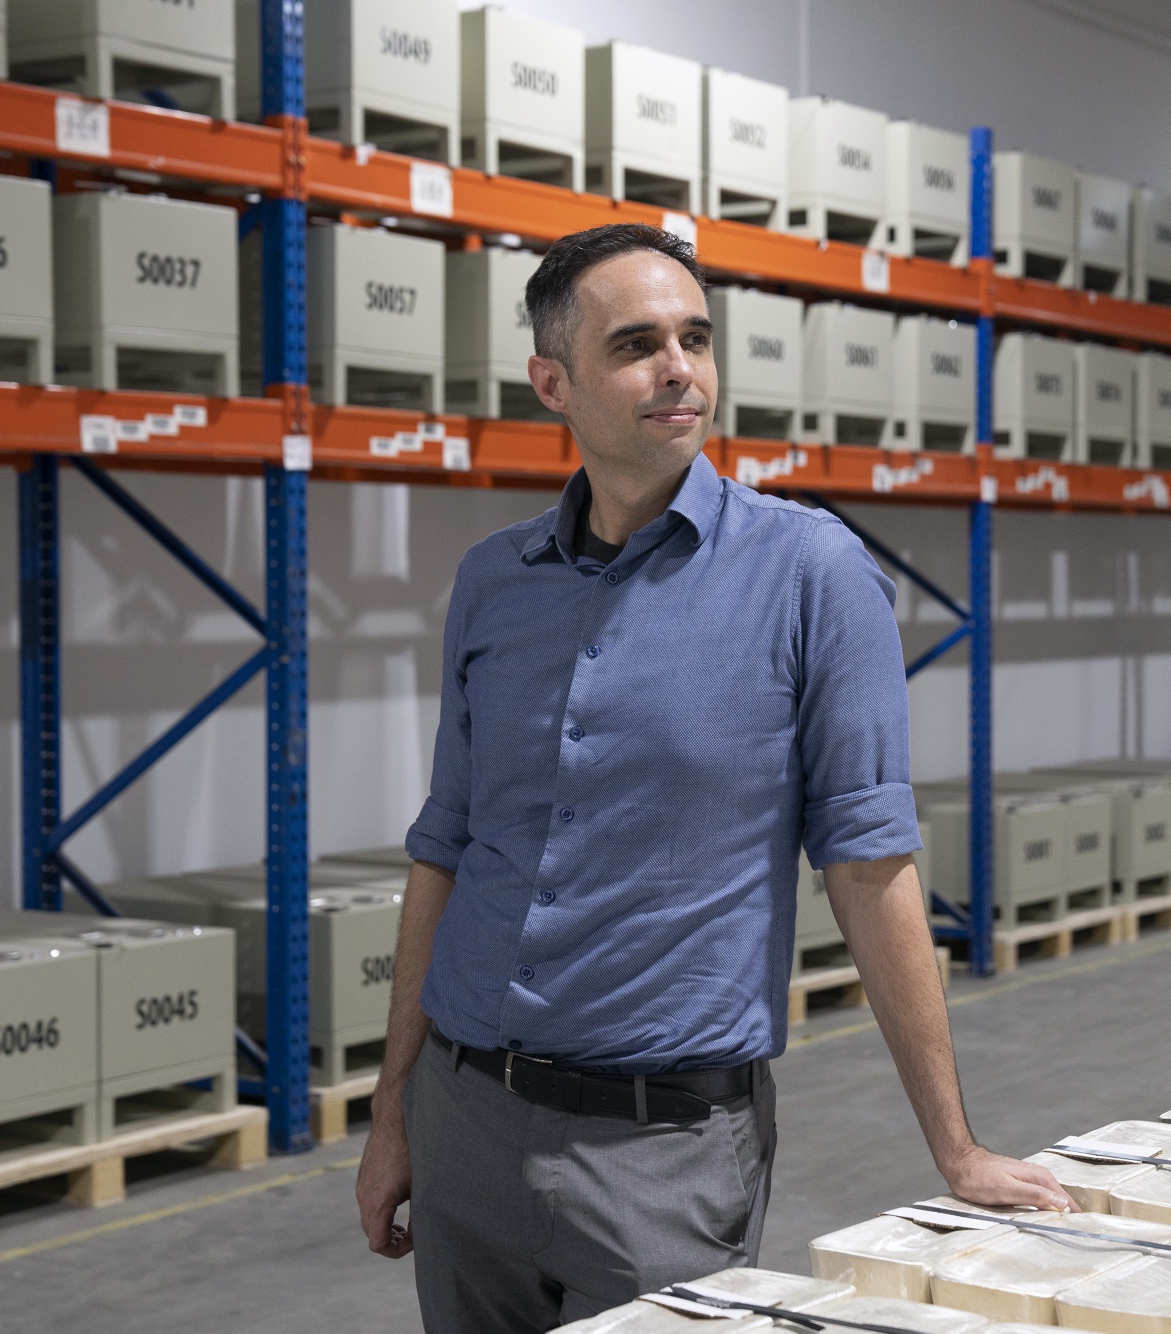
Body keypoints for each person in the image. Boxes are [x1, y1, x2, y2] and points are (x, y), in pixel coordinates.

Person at [355, 222, 1071, 1331]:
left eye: (695, 336)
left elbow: (868, 862)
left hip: (662, 1152)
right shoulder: (494, 581)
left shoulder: (808, 571)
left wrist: (954, 1143)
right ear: (554, 382)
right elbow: (444, 848)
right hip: (464, 1125)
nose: (679, 368)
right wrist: (395, 1110)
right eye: (636, 343)